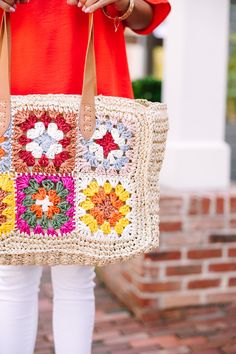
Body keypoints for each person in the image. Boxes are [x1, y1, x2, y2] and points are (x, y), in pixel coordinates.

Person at [0, 1, 171, 353]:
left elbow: (150, 13)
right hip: (13, 90)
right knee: (11, 268)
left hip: (93, 103)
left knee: (76, 270)